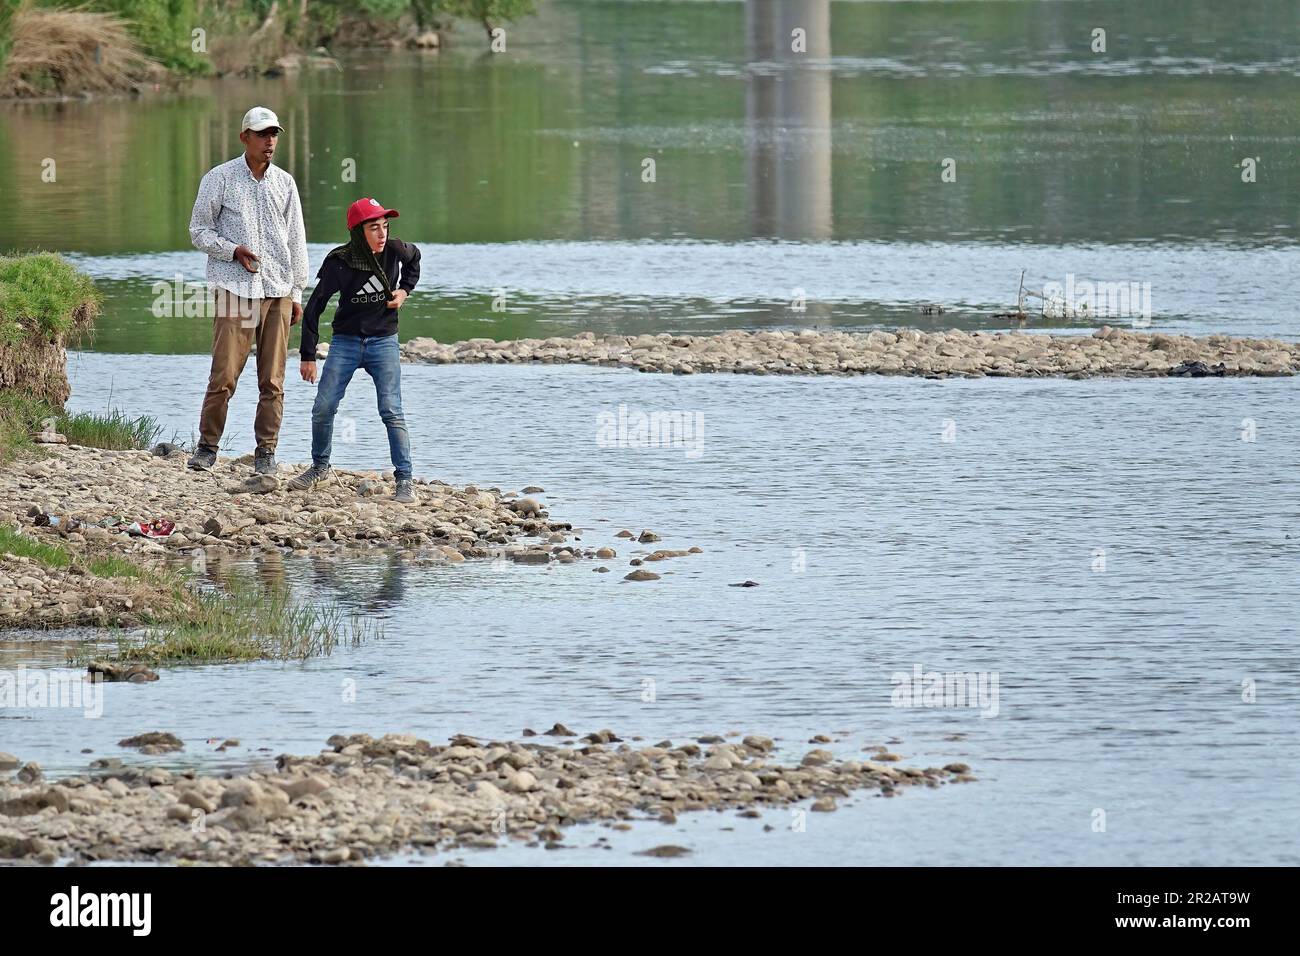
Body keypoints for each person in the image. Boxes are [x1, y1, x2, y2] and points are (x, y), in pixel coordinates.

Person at [186, 106, 309, 475]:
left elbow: (296, 241)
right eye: (262, 134)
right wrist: (232, 250)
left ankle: (266, 453)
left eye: (274, 134)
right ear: (245, 138)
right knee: (224, 375)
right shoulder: (219, 178)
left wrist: (297, 292)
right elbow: (198, 231)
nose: (270, 141)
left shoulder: (285, 183)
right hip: (235, 289)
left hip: (277, 291)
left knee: (272, 380)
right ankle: (207, 447)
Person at [289, 197, 421, 503]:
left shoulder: (395, 249)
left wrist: (404, 291)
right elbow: (313, 309)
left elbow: (415, 259)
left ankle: (405, 480)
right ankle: (320, 467)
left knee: (391, 409)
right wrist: (307, 355)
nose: (382, 234)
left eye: (385, 226)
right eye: (374, 228)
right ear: (357, 232)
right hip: (346, 343)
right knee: (323, 406)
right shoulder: (340, 262)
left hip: (384, 341)